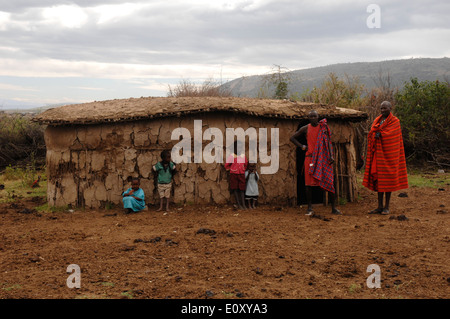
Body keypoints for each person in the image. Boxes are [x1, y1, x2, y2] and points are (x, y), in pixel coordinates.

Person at [290, 110, 342, 216]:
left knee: (329, 182)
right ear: (309, 118)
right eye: (311, 116)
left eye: (315, 116)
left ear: (318, 117)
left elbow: (328, 142)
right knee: (308, 184)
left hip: (323, 158)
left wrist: (331, 155)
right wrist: (302, 146)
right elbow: (292, 138)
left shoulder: (324, 128)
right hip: (310, 158)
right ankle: (309, 207)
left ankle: (333, 208)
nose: (313, 118)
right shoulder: (305, 128)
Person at [363, 101, 408, 215]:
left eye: (385, 108)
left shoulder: (395, 121)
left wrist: (381, 134)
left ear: (390, 108)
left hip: (389, 156)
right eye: (381, 108)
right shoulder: (377, 120)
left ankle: (386, 207)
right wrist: (375, 135)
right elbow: (373, 132)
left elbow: (392, 136)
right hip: (377, 155)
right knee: (378, 180)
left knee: (387, 182)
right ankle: (379, 206)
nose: (383, 110)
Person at [225, 141, 248, 210]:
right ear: (235, 148)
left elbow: (246, 164)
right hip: (234, 174)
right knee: (235, 188)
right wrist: (231, 169)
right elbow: (226, 165)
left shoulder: (243, 156)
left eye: (241, 147)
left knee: (242, 188)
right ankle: (239, 204)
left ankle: (243, 204)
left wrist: (243, 169)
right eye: (238, 147)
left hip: (241, 174)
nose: (239, 149)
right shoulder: (232, 156)